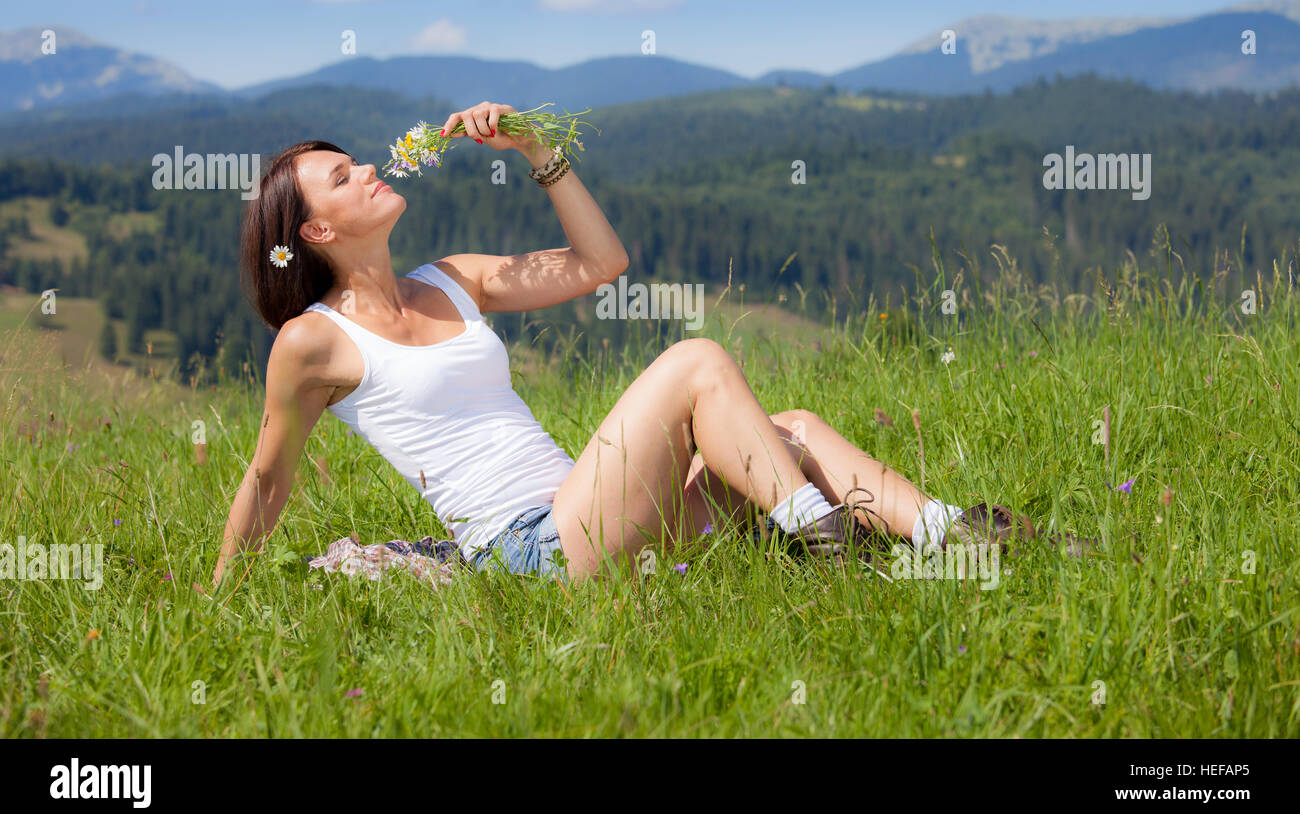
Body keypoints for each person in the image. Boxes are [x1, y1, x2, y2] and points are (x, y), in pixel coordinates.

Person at [211, 101, 1030, 590]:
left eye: (358, 162)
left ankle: (956, 539)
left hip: (597, 510)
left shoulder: (453, 277)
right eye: (343, 177)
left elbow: (602, 264)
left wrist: (538, 150)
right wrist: (221, 597)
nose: (366, 171)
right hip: (529, 553)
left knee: (796, 428)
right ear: (315, 229)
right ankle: (827, 543)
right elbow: (267, 477)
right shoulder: (312, 342)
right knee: (696, 361)